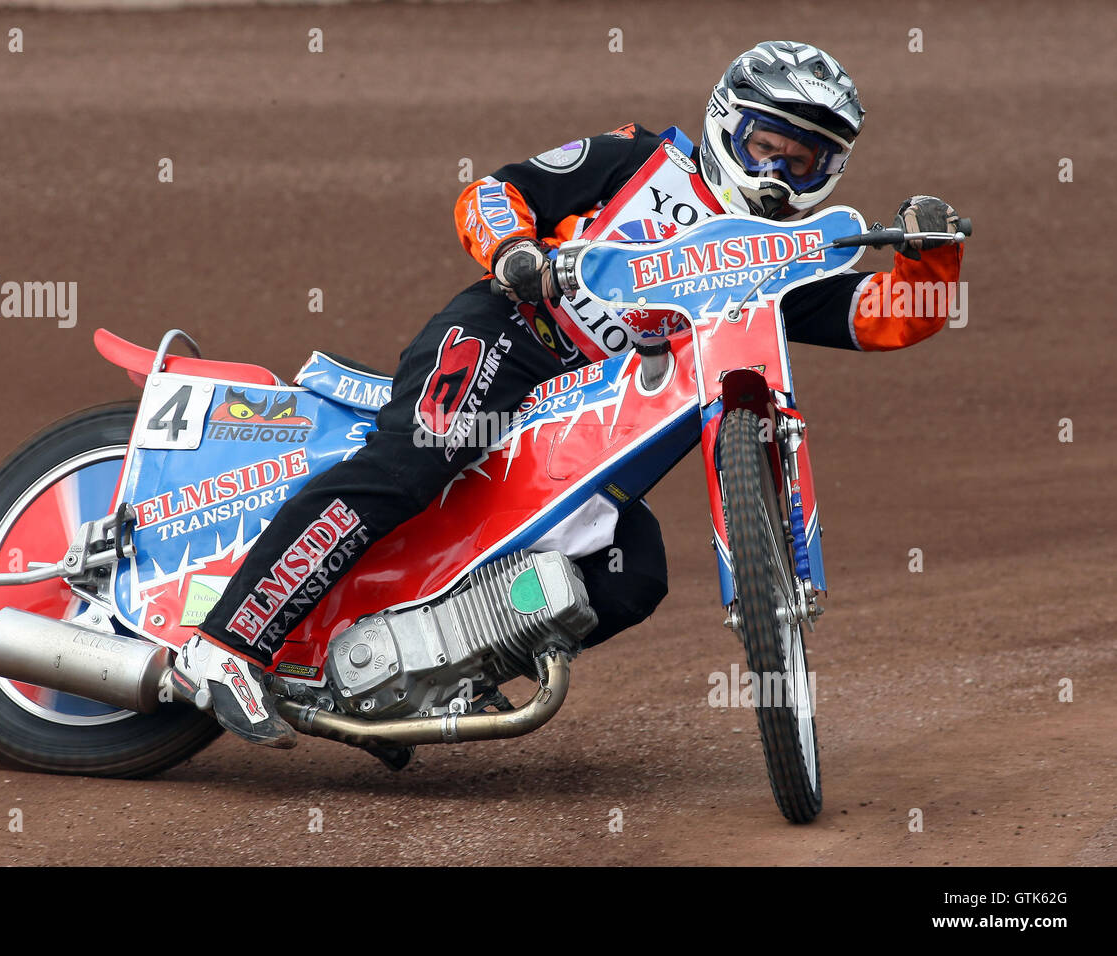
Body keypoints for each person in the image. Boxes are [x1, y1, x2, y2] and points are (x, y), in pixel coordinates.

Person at [168, 40, 966, 748]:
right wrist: (514, 251)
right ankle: (227, 646)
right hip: (512, 337)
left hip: (588, 435)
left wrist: (932, 259)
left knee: (633, 570)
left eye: (805, 164)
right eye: (766, 147)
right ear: (728, 124)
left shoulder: (785, 263)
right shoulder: (640, 160)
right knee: (422, 456)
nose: (776, 176)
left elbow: (884, 317)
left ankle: (445, 672)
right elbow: (492, 190)